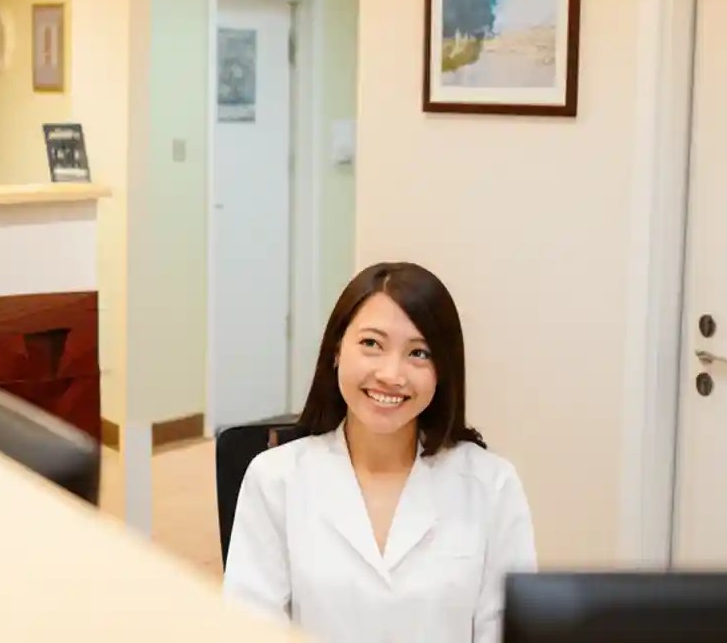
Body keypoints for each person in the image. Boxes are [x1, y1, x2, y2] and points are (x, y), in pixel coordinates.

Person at [223, 262, 536, 643]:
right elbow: (250, 629)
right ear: (337, 350)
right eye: (371, 344)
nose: (391, 374)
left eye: (419, 353)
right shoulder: (275, 479)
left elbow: (505, 632)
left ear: (442, 371)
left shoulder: (492, 485)